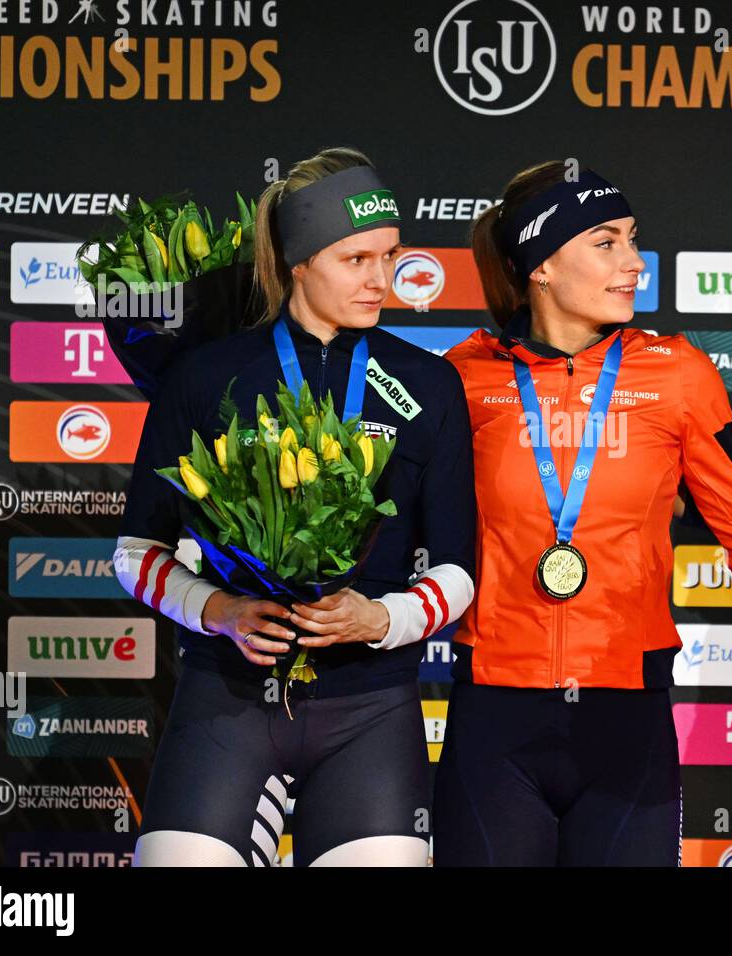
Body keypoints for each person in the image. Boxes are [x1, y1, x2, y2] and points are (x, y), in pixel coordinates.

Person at [432, 162, 732, 866]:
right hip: (494, 714)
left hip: (627, 717)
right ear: (540, 265)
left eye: (632, 239)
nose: (634, 262)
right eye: (606, 242)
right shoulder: (462, 377)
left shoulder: (677, 374)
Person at [112, 147, 476, 867]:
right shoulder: (208, 374)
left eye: (390, 256)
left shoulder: (429, 383)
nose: (382, 280)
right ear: (298, 259)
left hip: (371, 707)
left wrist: (381, 619)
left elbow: (461, 569)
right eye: (355, 259)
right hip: (227, 696)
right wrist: (220, 612)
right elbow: (136, 553)